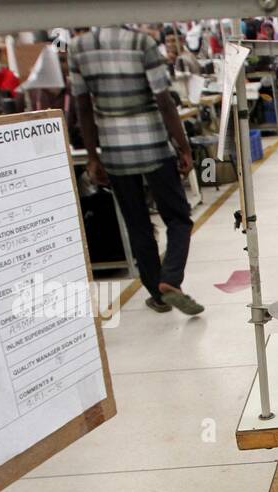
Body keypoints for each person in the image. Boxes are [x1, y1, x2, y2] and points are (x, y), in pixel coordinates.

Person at [71, 25, 204, 315]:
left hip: (115, 152)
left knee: (138, 225)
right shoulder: (141, 42)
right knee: (179, 218)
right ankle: (170, 280)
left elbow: (82, 107)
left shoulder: (78, 48)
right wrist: (183, 145)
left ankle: (157, 295)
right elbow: (164, 100)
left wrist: (93, 157)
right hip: (154, 146)